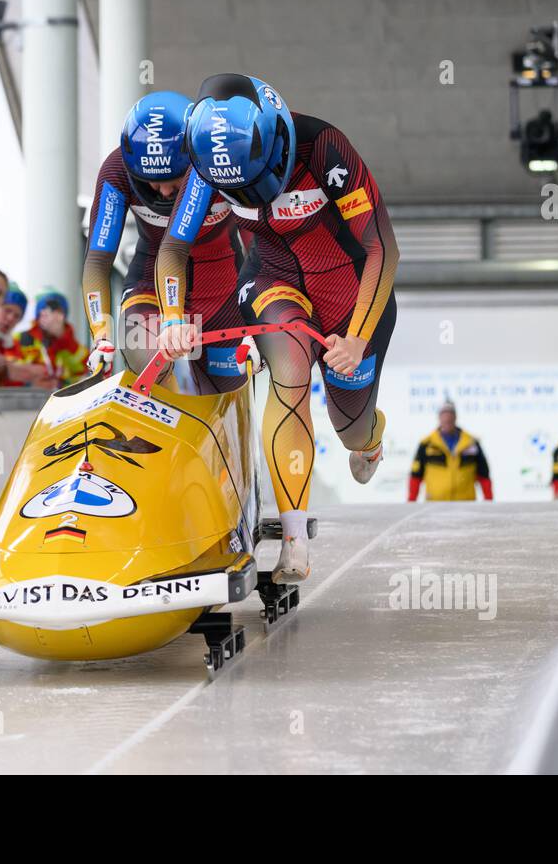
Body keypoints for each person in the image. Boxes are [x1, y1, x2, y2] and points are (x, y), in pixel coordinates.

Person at [156, 75, 398, 582]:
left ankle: (370, 437)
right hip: (272, 281)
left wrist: (356, 337)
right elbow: (173, 250)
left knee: (349, 426)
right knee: (288, 372)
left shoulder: (326, 149)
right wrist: (174, 317)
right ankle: (293, 541)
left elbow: (382, 248)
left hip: (352, 295)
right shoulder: (206, 168)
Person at [82, 90, 245, 393]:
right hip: (149, 285)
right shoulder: (115, 171)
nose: (165, 193)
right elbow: (97, 261)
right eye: (151, 182)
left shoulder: (220, 163)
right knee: (146, 359)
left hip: (222, 291)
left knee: (223, 397)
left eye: (174, 180)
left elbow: (258, 243)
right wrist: (100, 334)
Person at [408, 401, 493, 502]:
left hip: (466, 503)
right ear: (439, 418)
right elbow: (416, 476)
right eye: (444, 416)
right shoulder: (426, 444)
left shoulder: (471, 442)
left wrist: (489, 501)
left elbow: (484, 474)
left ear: (455, 417)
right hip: (435, 503)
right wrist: (411, 502)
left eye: (450, 417)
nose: (447, 420)